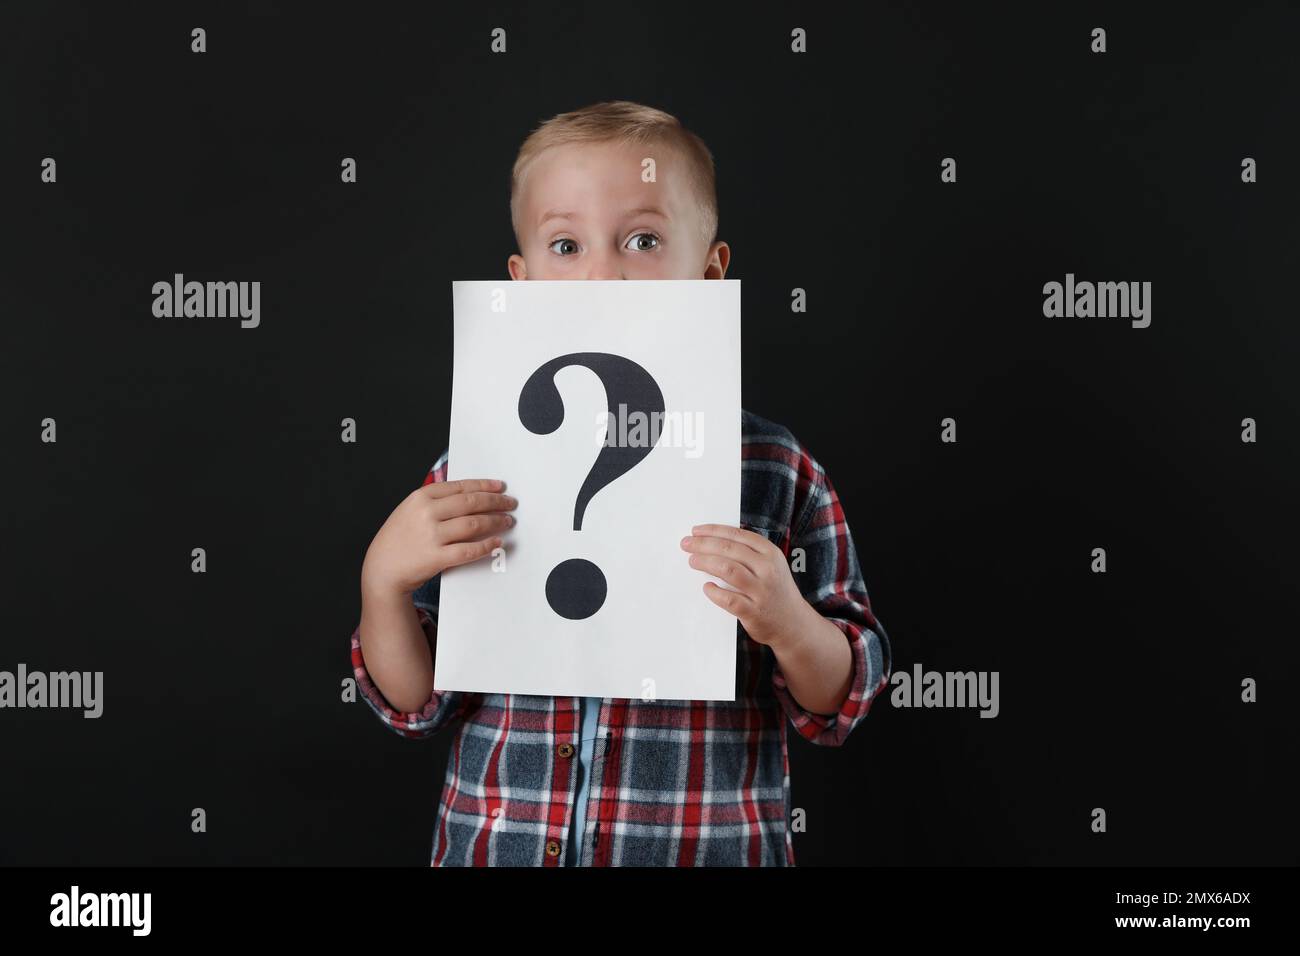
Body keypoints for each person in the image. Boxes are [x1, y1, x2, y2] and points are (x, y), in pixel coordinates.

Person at [351, 100, 892, 866]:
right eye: (566, 244)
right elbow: (412, 703)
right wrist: (382, 586)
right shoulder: (476, 465)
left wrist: (787, 622)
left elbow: (842, 697)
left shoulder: (775, 469)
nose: (602, 272)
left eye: (642, 239)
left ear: (709, 272)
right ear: (523, 280)